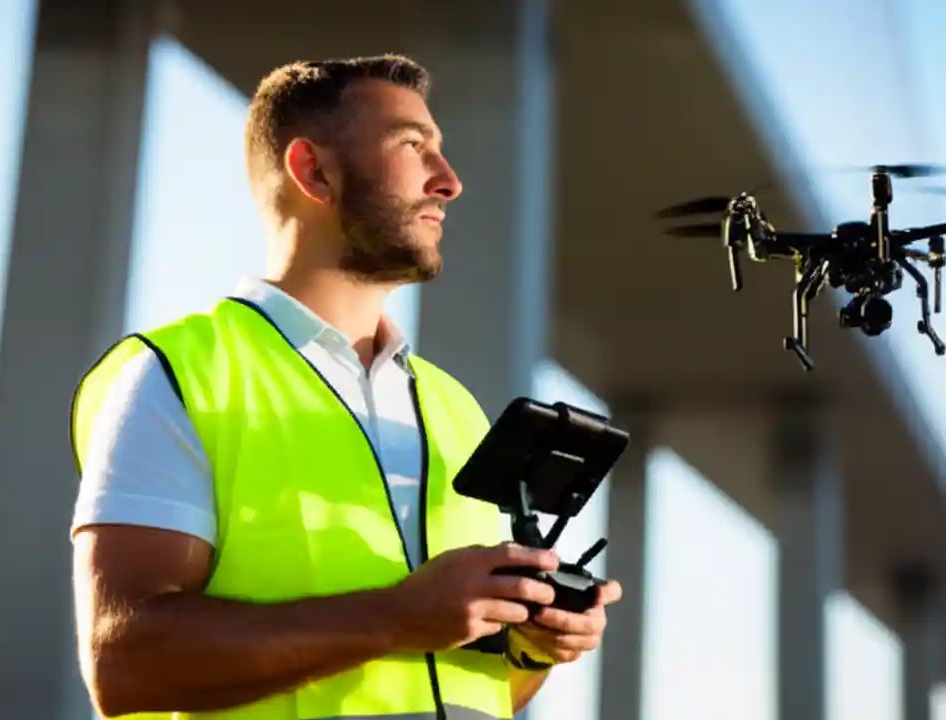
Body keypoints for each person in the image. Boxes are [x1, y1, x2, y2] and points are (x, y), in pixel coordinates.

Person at [68, 54, 623, 720]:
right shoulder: (177, 375)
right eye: (412, 146)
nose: (449, 182)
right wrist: (396, 617)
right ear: (314, 171)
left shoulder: (455, 408)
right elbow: (126, 665)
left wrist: (532, 647)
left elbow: (471, 685)